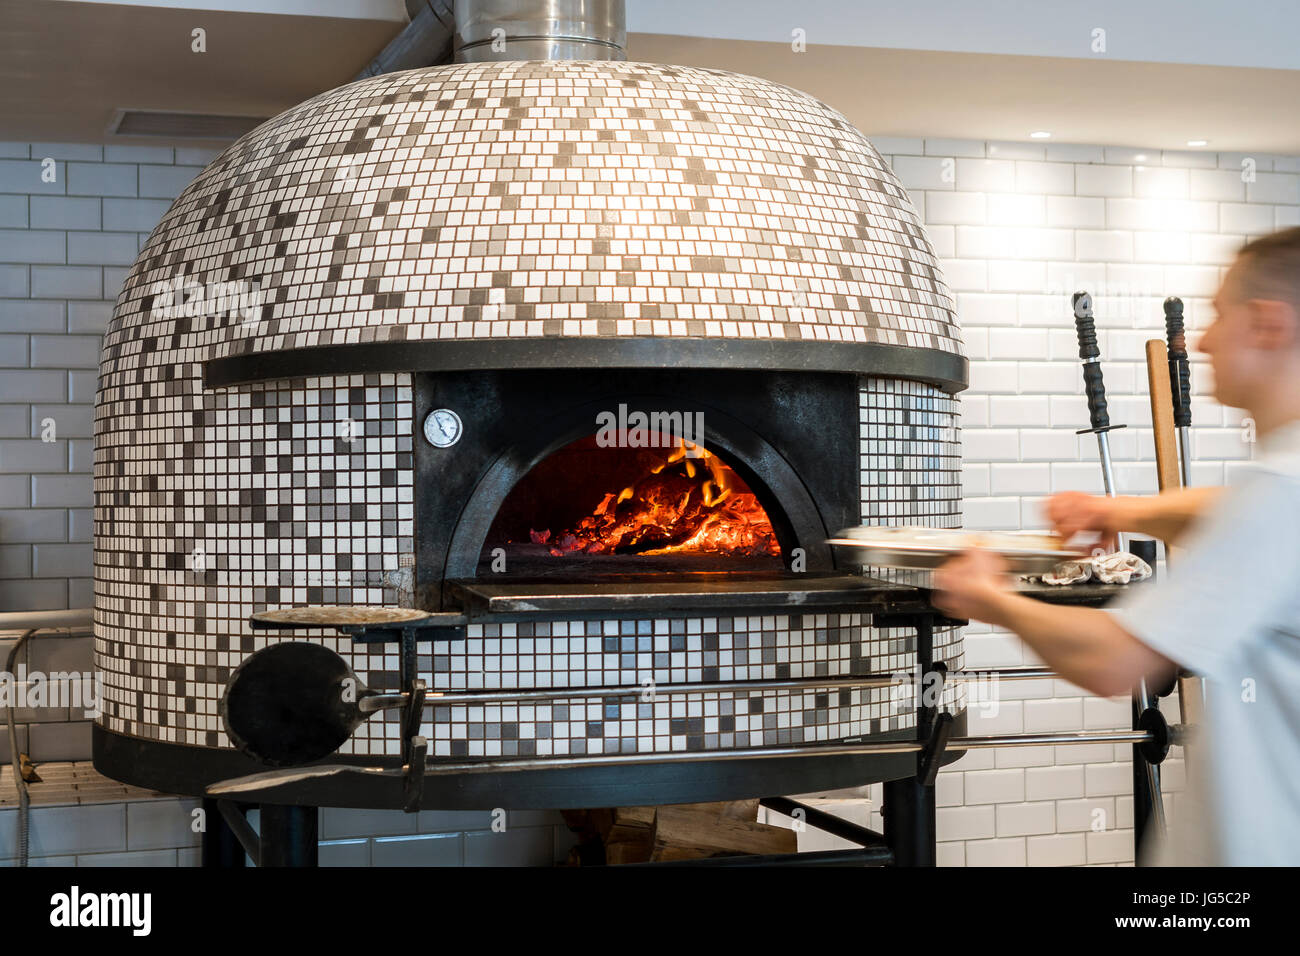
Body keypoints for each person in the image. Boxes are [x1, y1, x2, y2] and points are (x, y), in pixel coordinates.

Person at [933, 226, 1300, 866]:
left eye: (1217, 317)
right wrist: (1116, 509)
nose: (1202, 341)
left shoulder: (1276, 495)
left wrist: (990, 598)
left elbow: (1114, 661)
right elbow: (1230, 514)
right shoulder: (1278, 489)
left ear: (1268, 325)